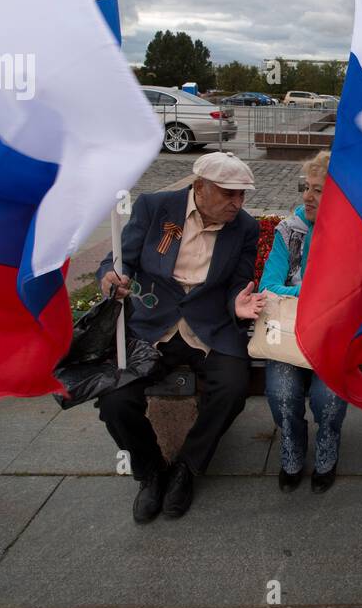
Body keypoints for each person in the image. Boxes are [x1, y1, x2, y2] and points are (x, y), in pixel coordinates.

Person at [96, 151, 268, 524]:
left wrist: (236, 303)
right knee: (114, 399)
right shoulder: (156, 208)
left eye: (243, 195)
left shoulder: (244, 228)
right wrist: (111, 279)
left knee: (233, 387)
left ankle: (187, 468)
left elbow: (238, 281)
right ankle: (151, 471)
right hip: (153, 325)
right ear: (200, 187)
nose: (237, 204)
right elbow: (117, 262)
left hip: (211, 327)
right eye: (229, 194)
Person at [258, 150, 348, 494]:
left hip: (331, 336)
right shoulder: (290, 230)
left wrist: (295, 289)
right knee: (282, 392)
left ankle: (328, 442)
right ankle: (293, 442)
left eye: (318, 190)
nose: (306, 196)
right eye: (306, 187)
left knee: (328, 397)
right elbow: (268, 286)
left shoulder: (352, 237)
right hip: (287, 332)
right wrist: (315, 291)